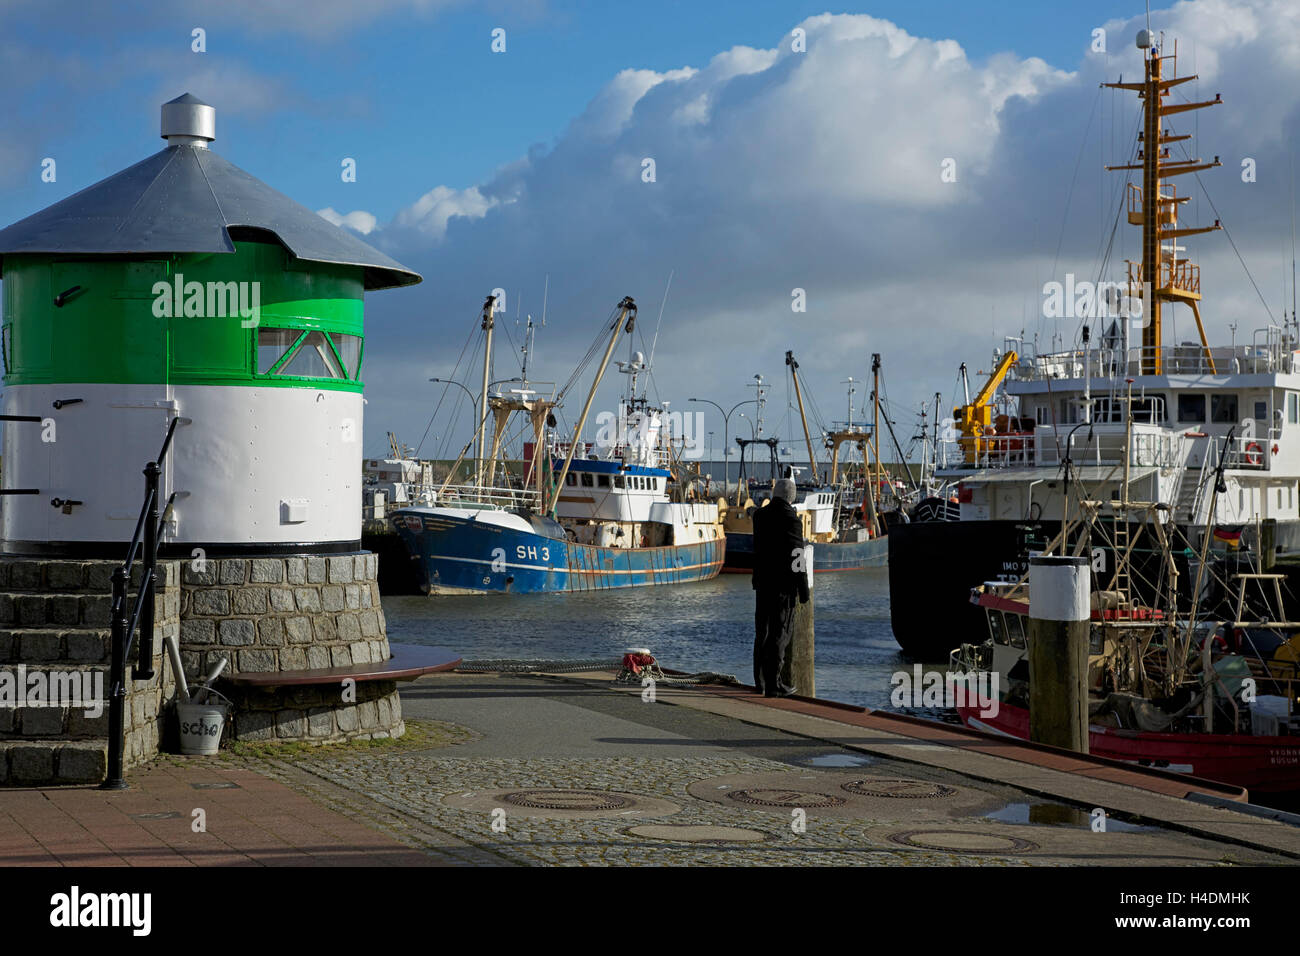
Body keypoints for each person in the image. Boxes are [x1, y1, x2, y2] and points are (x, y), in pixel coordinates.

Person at [751, 478, 810, 697]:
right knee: (780, 633)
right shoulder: (791, 519)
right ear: (791, 497)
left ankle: (760, 681)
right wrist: (803, 589)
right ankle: (775, 684)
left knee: (762, 633)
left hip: (762, 583)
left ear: (774, 493)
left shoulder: (759, 516)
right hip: (783, 586)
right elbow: (797, 555)